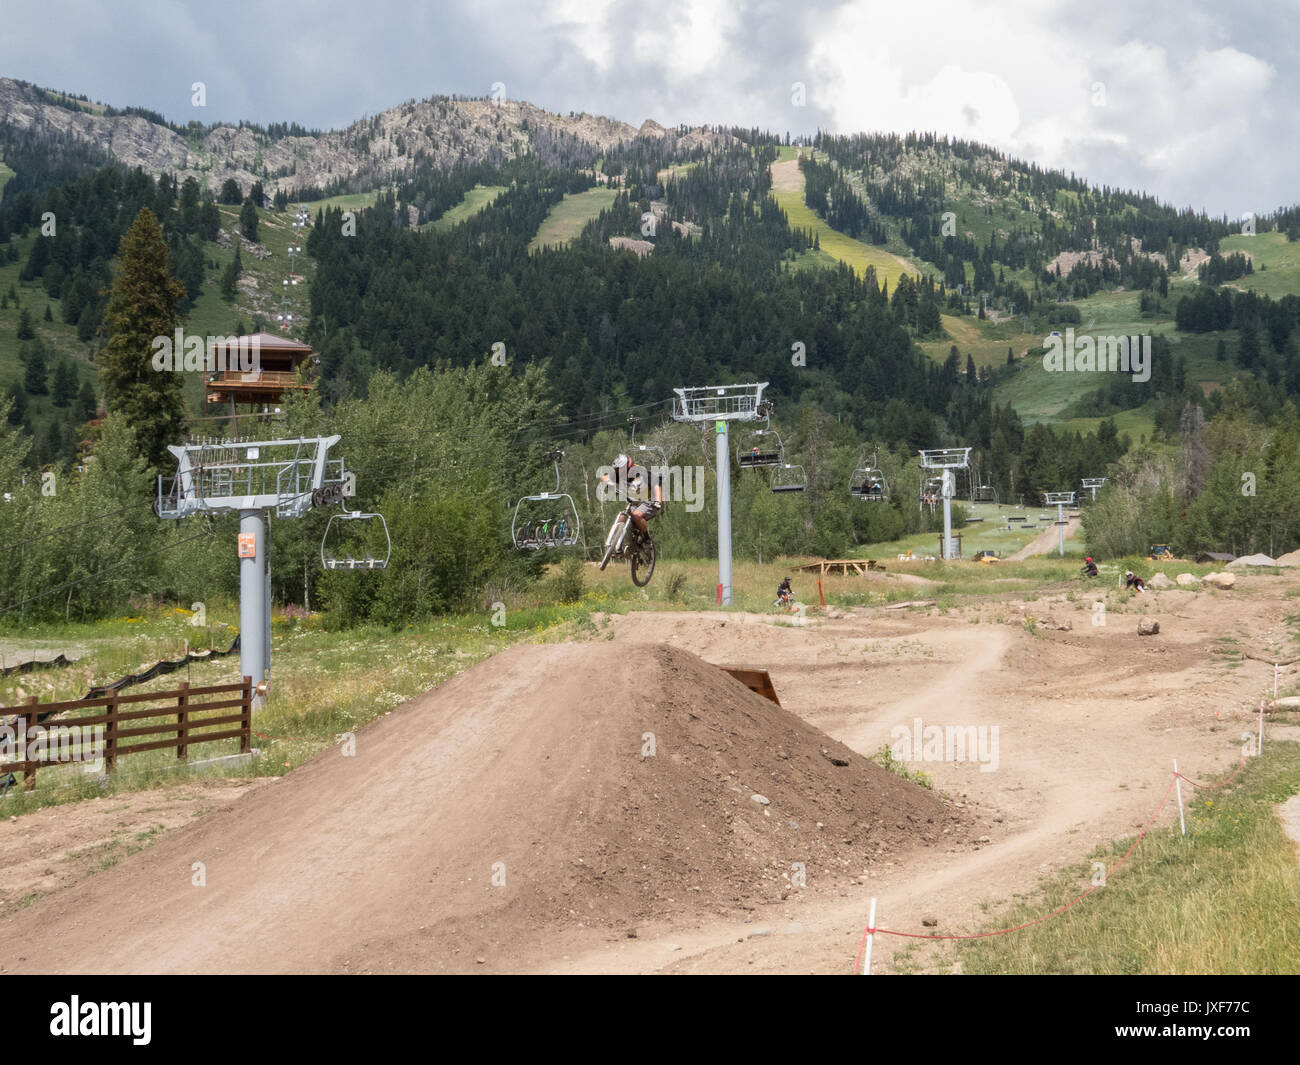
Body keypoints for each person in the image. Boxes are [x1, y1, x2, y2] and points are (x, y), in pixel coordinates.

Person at [601, 454, 663, 541]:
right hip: (635, 503)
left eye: (620, 469)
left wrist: (658, 501)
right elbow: (604, 477)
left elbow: (656, 483)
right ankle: (616, 546)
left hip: (650, 502)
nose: (618, 471)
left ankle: (647, 539)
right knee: (622, 517)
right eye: (617, 469)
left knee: (636, 516)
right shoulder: (620, 474)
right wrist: (610, 485)